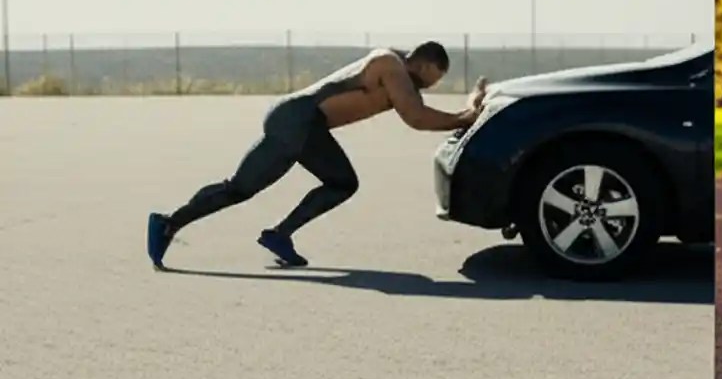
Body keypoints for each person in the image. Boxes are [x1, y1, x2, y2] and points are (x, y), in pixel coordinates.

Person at [146, 41, 487, 269]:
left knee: (341, 182)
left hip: (310, 126)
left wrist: (470, 107)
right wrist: (464, 117)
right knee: (240, 188)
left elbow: (427, 112)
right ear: (425, 64)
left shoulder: (401, 74)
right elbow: (416, 117)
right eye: (435, 77)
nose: (433, 85)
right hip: (296, 119)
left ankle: (279, 235)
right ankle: (168, 223)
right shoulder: (391, 65)